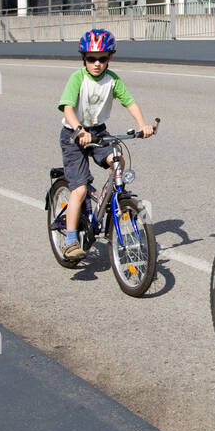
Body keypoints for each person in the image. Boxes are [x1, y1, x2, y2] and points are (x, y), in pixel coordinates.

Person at [57, 29, 155, 260]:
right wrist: (79, 129)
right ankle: (71, 241)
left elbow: (129, 102)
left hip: (98, 132)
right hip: (74, 133)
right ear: (84, 58)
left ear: (110, 57)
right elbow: (67, 107)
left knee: (118, 160)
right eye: (91, 58)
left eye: (103, 58)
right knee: (79, 188)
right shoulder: (78, 78)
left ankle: (113, 201)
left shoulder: (113, 80)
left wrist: (143, 125)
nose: (97, 63)